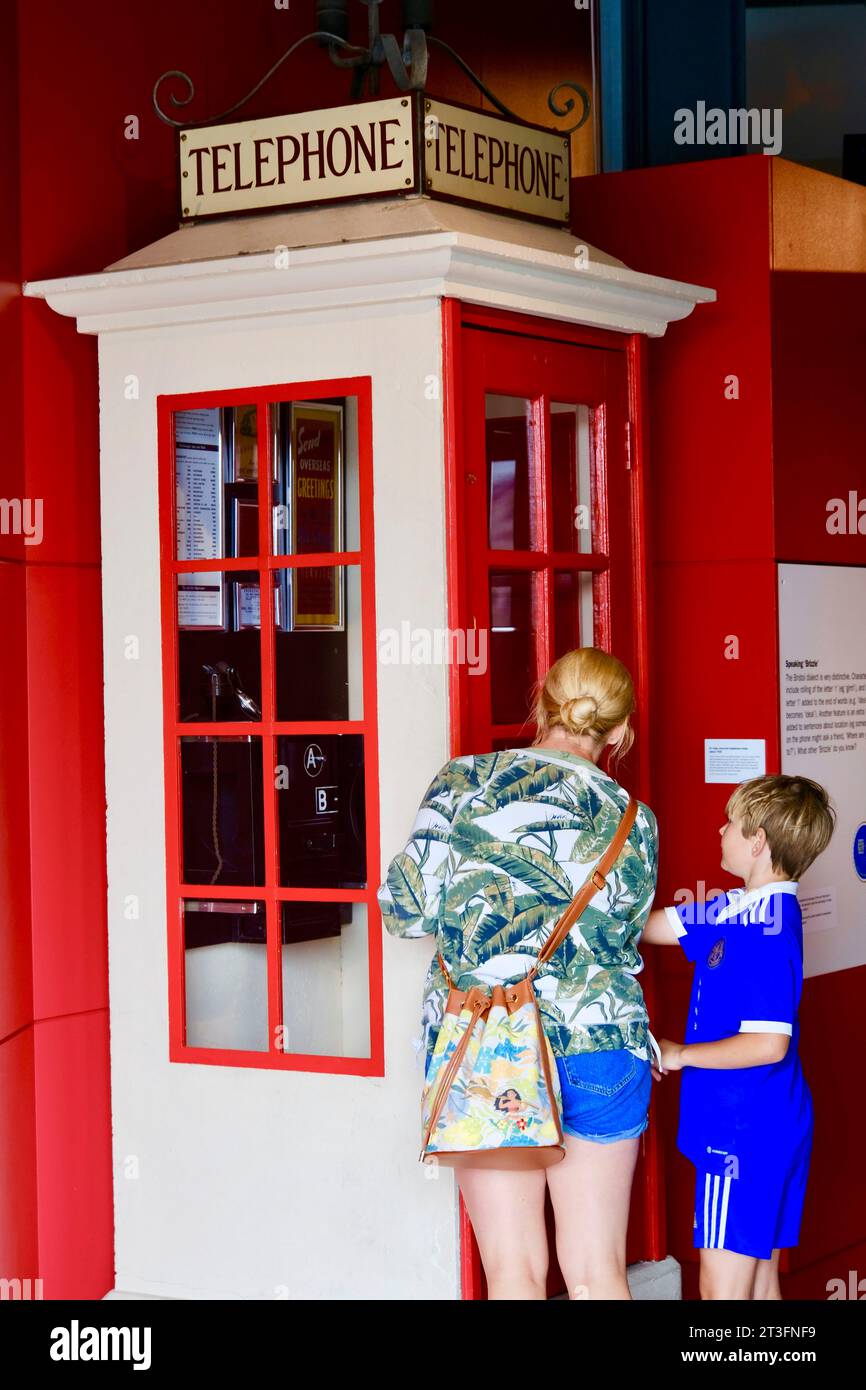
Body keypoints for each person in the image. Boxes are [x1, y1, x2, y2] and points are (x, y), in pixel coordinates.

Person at [377, 648, 661, 1300]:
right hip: (603, 1042)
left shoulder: (461, 782)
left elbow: (407, 913)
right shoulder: (633, 820)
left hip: (490, 1043)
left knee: (513, 1274)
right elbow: (621, 931)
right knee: (598, 1274)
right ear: (618, 731)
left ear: (541, 701)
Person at [640, 774, 835, 1300]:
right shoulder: (736, 908)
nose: (720, 828)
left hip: (743, 1132)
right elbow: (651, 928)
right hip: (764, 1123)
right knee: (761, 1279)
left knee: (723, 1292)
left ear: (758, 842)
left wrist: (679, 1054)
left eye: (732, 822)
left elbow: (768, 1044)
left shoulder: (771, 928)